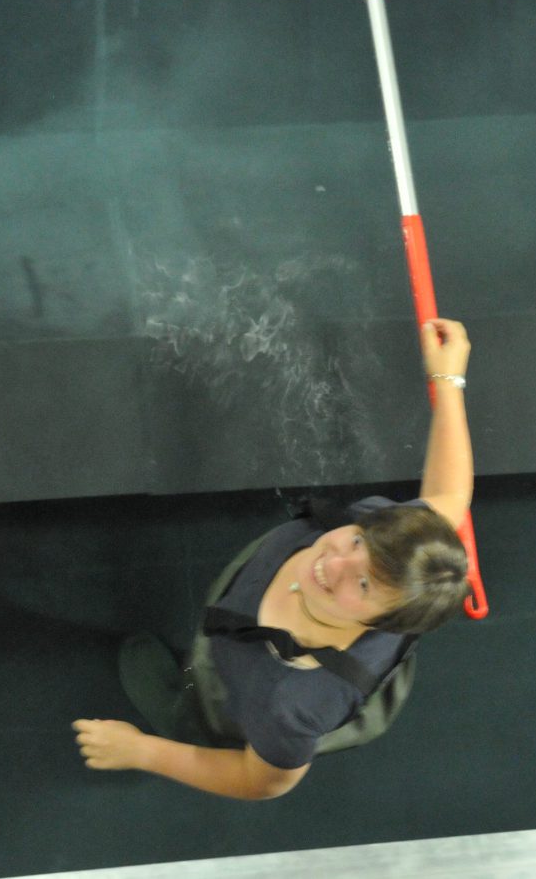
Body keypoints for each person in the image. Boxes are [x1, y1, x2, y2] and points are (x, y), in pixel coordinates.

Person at [72, 317, 474, 799]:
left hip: (244, 689)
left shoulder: (291, 705)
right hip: (252, 617)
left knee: (208, 713)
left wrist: (143, 751)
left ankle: (181, 712)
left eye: (363, 585)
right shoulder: (399, 544)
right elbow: (449, 495)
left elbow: (259, 781)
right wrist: (447, 379)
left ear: (384, 622)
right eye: (357, 542)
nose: (332, 561)